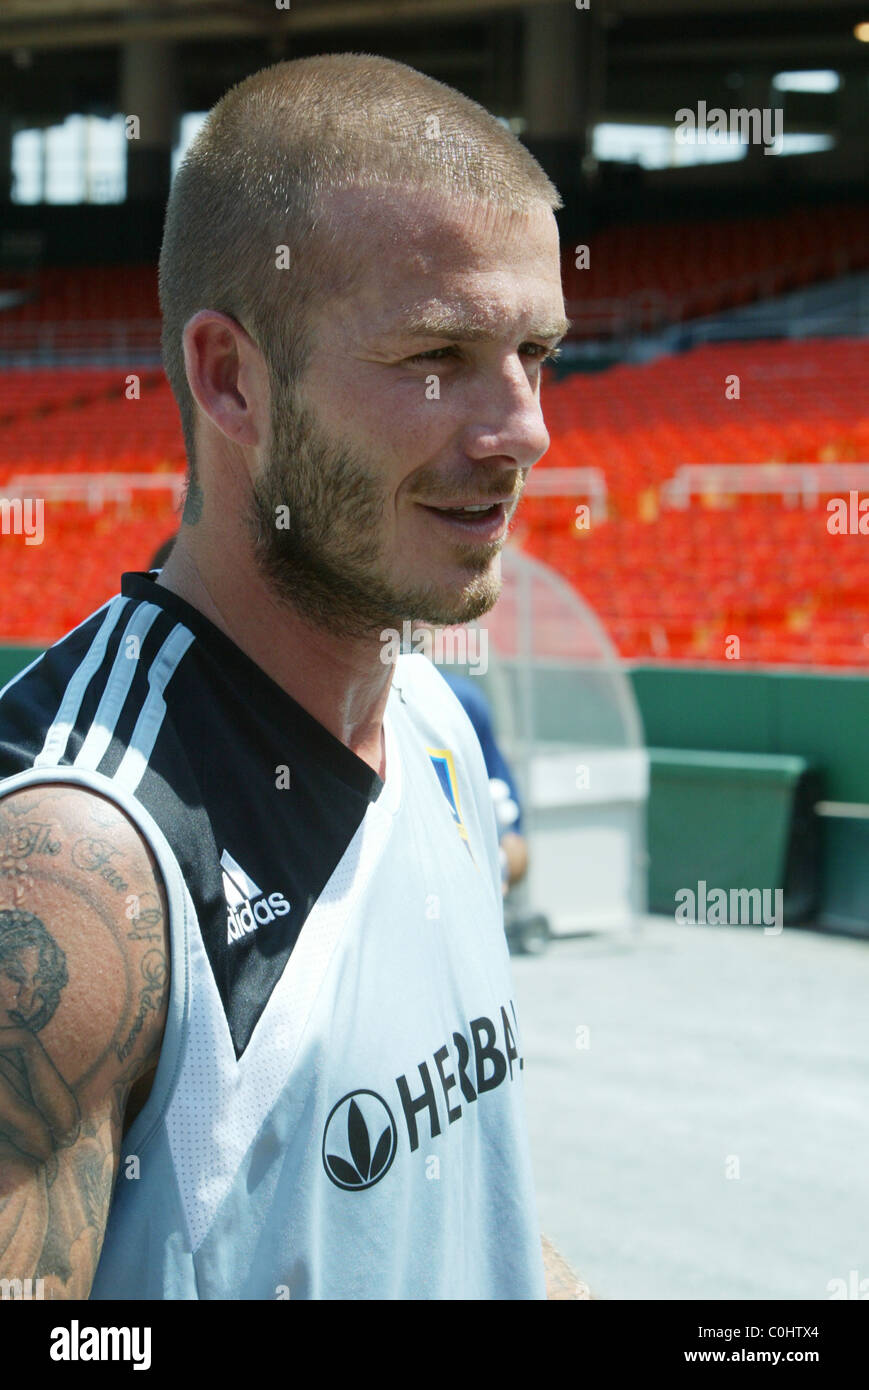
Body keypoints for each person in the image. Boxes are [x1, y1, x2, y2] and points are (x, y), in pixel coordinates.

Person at [0, 54, 585, 1299]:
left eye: (536, 350)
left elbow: (464, 1219)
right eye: (438, 353)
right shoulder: (76, 863)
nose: (522, 427)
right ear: (230, 380)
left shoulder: (428, 718)